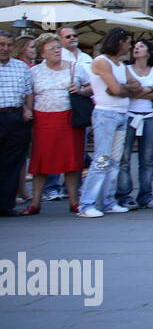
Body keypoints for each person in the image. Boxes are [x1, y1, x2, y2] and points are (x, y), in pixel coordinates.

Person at [78, 28, 143, 217]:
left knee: (114, 162)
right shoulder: (101, 61)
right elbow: (115, 89)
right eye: (128, 41)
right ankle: (86, 204)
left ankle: (107, 201)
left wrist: (123, 88)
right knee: (101, 160)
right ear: (119, 41)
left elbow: (136, 86)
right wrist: (123, 88)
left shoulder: (120, 65)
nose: (130, 46)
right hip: (105, 114)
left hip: (122, 114)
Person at [25, 33, 91, 214]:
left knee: (71, 161)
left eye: (57, 47)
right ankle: (36, 202)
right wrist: (28, 110)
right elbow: (29, 93)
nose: (56, 51)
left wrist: (81, 90)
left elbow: (91, 87)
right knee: (41, 161)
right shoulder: (34, 71)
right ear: (42, 53)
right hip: (43, 119)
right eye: (51, 48)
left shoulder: (74, 67)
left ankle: (73, 201)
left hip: (68, 118)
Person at [115, 39, 153, 210]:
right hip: (129, 115)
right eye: (135, 47)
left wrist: (140, 92)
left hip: (149, 116)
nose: (136, 49)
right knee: (124, 158)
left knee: (147, 159)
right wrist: (148, 89)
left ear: (149, 51)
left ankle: (146, 194)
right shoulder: (125, 68)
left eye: (141, 46)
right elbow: (130, 89)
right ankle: (124, 194)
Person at [0, 30, 35, 216]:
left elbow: (29, 91)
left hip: (15, 117)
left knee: (12, 164)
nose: (5, 49)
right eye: (1, 45)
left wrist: (28, 109)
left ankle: (6, 205)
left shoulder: (20, 67)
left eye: (8, 45)